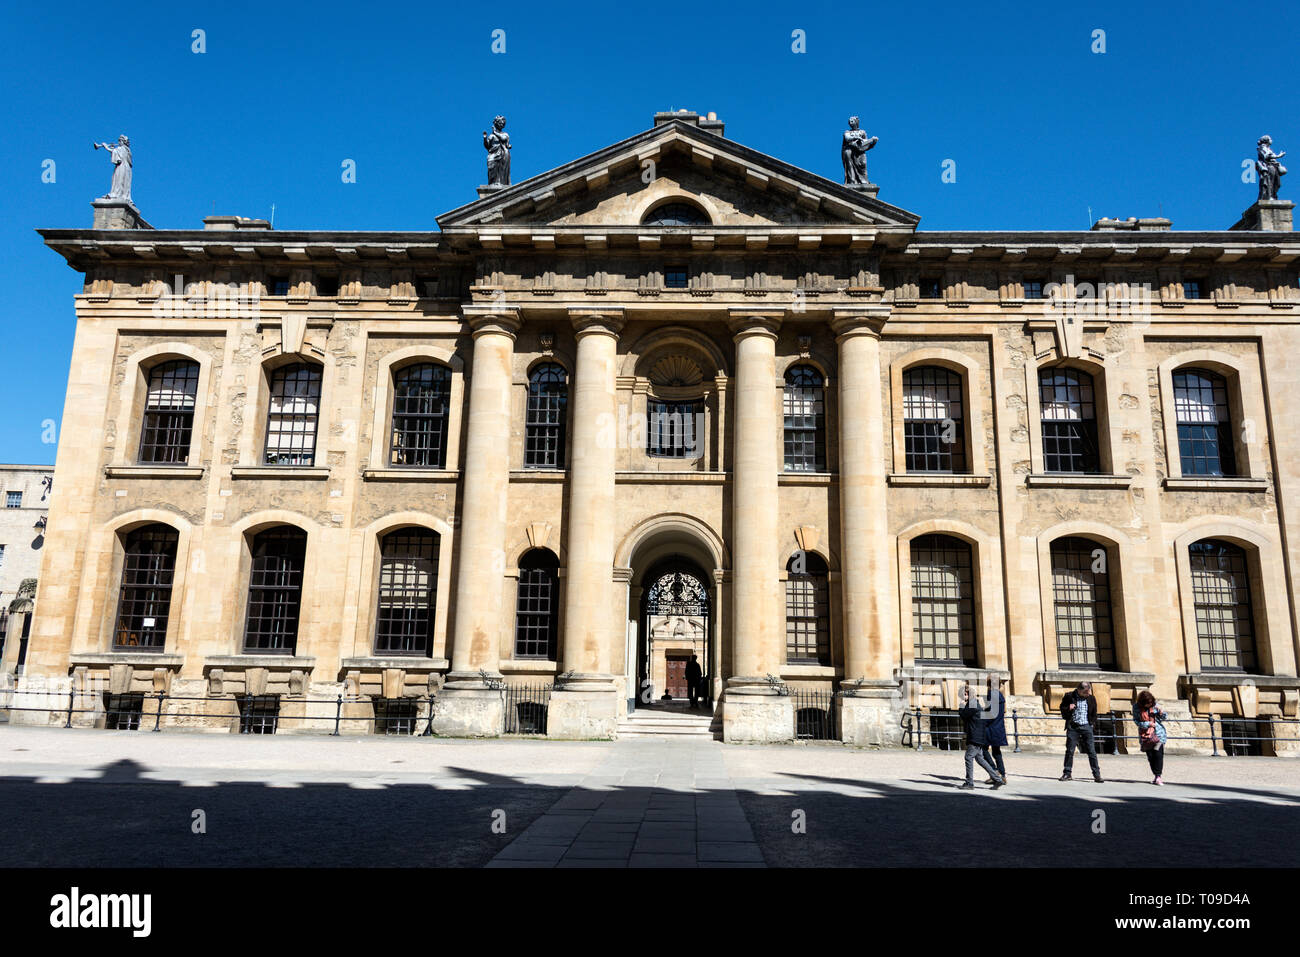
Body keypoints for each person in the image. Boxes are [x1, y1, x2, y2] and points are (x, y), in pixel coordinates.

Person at [958, 684, 1005, 790]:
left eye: (964, 695)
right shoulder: (974, 703)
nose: (962, 697)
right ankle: (997, 779)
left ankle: (969, 783)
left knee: (968, 757)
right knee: (980, 759)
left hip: (975, 736)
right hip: (978, 736)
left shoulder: (972, 704)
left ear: (968, 694)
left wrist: (961, 706)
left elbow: (963, 715)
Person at [1059, 681, 1104, 783]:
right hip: (1073, 727)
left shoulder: (1091, 698)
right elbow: (1062, 709)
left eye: (1088, 692)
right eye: (1085, 692)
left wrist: (1092, 724)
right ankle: (1067, 773)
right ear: (1079, 690)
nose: (1087, 694)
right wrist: (1068, 708)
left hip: (1086, 727)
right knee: (1070, 751)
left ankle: (1097, 775)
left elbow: (1094, 713)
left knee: (1091, 751)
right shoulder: (1069, 696)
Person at [1133, 690, 1168, 785]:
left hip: (1158, 734)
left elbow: (1164, 718)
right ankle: (1156, 775)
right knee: (1151, 756)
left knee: (1158, 754)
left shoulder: (1155, 705)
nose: (1150, 705)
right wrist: (1148, 723)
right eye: (1148, 704)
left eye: (1151, 703)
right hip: (1146, 736)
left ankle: (1158, 776)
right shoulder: (1136, 707)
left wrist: (1162, 713)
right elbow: (1136, 721)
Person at [981, 675, 1009, 783]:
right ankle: (1002, 774)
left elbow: (991, 714)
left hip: (991, 728)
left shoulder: (992, 694)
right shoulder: (1000, 695)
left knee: (983, 749)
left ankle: (994, 770)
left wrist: (982, 720)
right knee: (996, 752)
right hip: (999, 727)